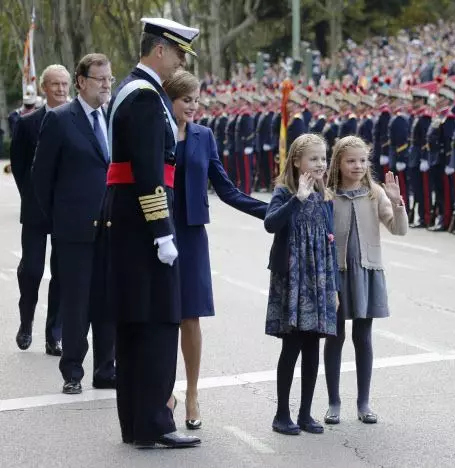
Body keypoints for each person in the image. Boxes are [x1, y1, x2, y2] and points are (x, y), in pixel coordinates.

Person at [98, 17, 201, 448]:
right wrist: (161, 230)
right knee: (158, 324)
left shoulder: (138, 91)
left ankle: (138, 425)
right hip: (142, 226)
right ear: (159, 50)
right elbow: (146, 172)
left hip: (129, 222)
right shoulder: (143, 96)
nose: (180, 62)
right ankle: (156, 422)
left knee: (136, 326)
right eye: (178, 53)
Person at [162, 70, 268, 429]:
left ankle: (191, 394)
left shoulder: (204, 136)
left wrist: (272, 210)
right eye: (185, 99)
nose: (192, 106)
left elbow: (226, 189)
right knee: (162, 317)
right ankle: (164, 391)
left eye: (196, 99)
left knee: (190, 317)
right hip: (157, 229)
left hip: (190, 234)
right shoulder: (154, 130)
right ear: (170, 99)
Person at [32, 54, 116, 395]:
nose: (106, 85)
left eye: (110, 79)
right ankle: (73, 371)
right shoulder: (60, 120)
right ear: (81, 82)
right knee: (77, 303)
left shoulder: (115, 118)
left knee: (108, 301)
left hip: (111, 227)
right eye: (99, 79)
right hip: (74, 229)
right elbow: (41, 178)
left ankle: (106, 368)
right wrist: (59, 219)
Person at [324, 136, 408, 425]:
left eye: (362, 160)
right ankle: (334, 402)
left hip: (367, 271)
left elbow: (399, 230)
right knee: (334, 337)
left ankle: (363, 402)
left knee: (363, 337)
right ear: (338, 163)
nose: (357, 165)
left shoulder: (375, 194)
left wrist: (397, 204)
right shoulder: (328, 194)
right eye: (351, 160)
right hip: (336, 273)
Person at [263, 133, 337, 436]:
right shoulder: (285, 192)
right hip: (292, 280)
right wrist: (298, 199)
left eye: (323, 158)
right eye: (313, 158)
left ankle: (306, 413)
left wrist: (333, 289)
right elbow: (271, 224)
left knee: (312, 347)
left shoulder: (326, 197)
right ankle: (282, 413)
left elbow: (330, 243)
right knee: (291, 346)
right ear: (296, 161)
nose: (320, 164)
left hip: (318, 280)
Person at [10, 65, 70, 356]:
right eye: (55, 85)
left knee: (61, 272)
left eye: (64, 84)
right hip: (35, 208)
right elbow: (19, 167)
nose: (60, 89)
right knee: (32, 270)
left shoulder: (76, 120)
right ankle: (26, 321)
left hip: (66, 210)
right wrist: (32, 197)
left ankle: (53, 334)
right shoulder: (28, 122)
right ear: (44, 88)